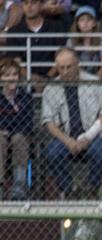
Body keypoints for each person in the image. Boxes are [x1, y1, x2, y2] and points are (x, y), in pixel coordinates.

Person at [41, 46, 102, 197]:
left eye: (69, 67)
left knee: (100, 151)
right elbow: (48, 121)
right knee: (52, 153)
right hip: (65, 138)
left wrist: (89, 136)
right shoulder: (50, 88)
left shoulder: (94, 82)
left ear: (77, 64)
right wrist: (68, 141)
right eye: (61, 68)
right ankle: (70, 191)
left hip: (93, 136)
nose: (65, 71)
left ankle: (91, 190)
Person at [6, 0, 67, 80]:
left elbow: (61, 57)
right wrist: (32, 78)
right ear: (22, 6)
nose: (29, 6)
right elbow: (16, 63)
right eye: (26, 3)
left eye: (34, 2)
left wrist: (46, 78)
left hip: (53, 80)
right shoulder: (14, 31)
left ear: (41, 5)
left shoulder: (56, 27)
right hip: (23, 81)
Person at [0, 56, 32, 200]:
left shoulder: (26, 97)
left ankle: (19, 188)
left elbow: (27, 124)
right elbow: (17, 120)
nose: (11, 78)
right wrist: (13, 119)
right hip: (2, 139)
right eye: (7, 75)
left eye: (14, 74)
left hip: (20, 137)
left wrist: (7, 127)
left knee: (19, 138)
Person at [68, 5, 102, 79]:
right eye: (82, 20)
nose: (85, 23)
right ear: (77, 23)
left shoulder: (101, 40)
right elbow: (70, 63)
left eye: (89, 20)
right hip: (78, 76)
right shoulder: (71, 41)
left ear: (94, 23)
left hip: (96, 76)